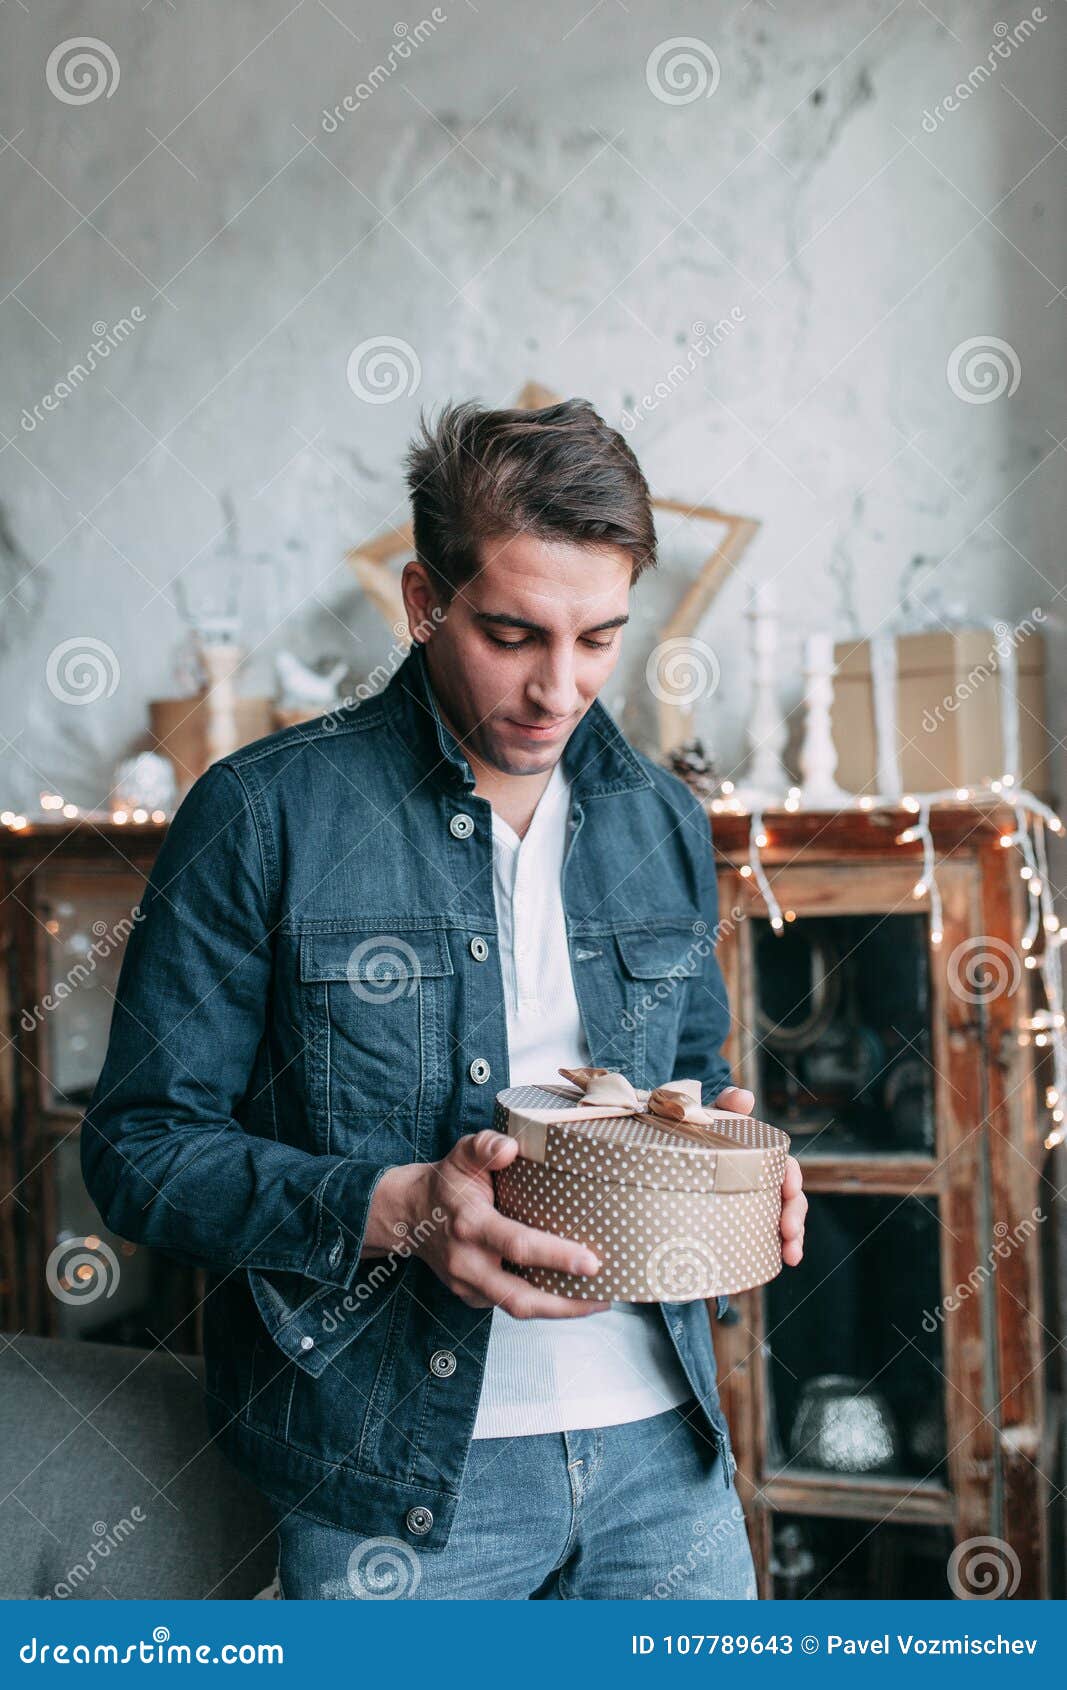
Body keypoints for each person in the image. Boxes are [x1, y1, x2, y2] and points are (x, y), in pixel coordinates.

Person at [82, 398, 806, 1600]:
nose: (558, 689)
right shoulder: (262, 813)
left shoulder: (660, 823)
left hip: (662, 1463)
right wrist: (398, 1209)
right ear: (424, 602)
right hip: (394, 1477)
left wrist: (732, 1160)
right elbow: (138, 1150)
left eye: (597, 639)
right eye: (513, 634)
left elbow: (688, 1076)